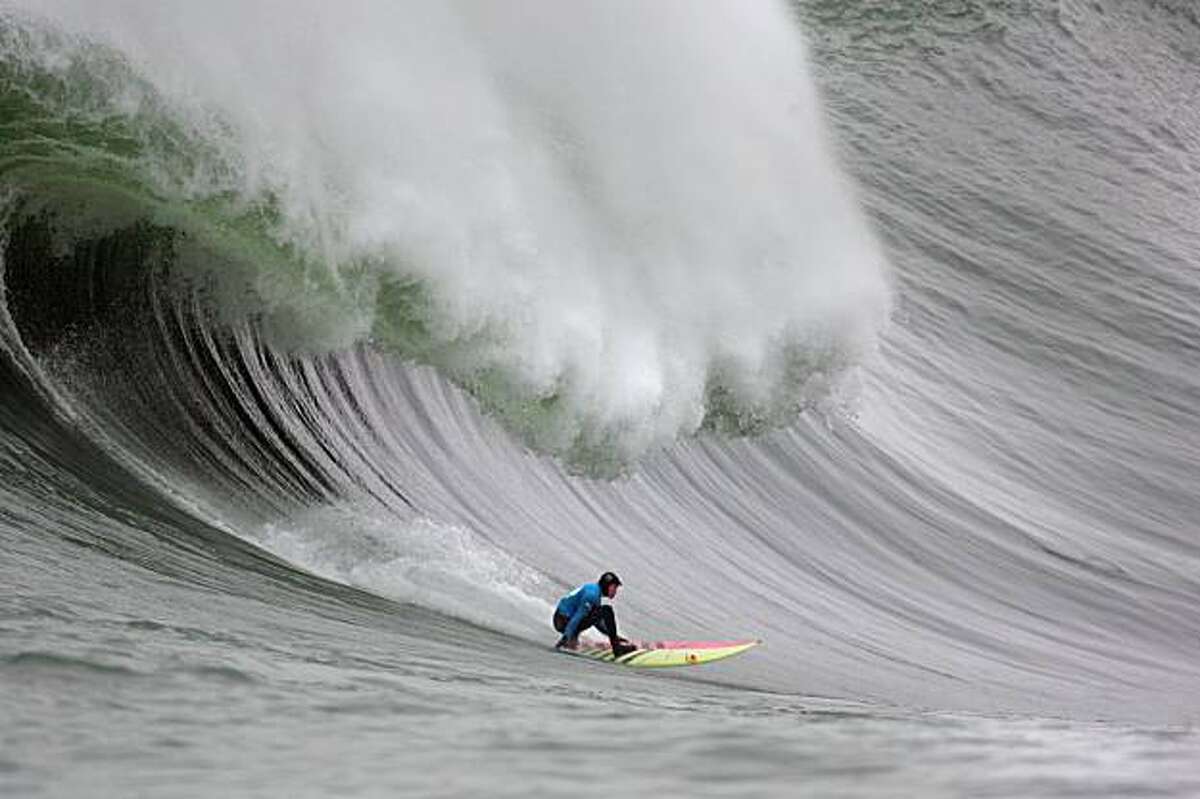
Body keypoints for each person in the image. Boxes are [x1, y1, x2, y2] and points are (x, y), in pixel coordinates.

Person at [553, 571, 637, 657]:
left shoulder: (594, 590)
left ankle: (571, 640)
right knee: (607, 610)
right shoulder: (592, 596)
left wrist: (615, 637)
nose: (615, 591)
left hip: (563, 619)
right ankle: (617, 650)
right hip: (563, 621)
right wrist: (564, 640)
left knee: (601, 613)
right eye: (614, 587)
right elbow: (577, 617)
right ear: (606, 585)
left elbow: (596, 621)